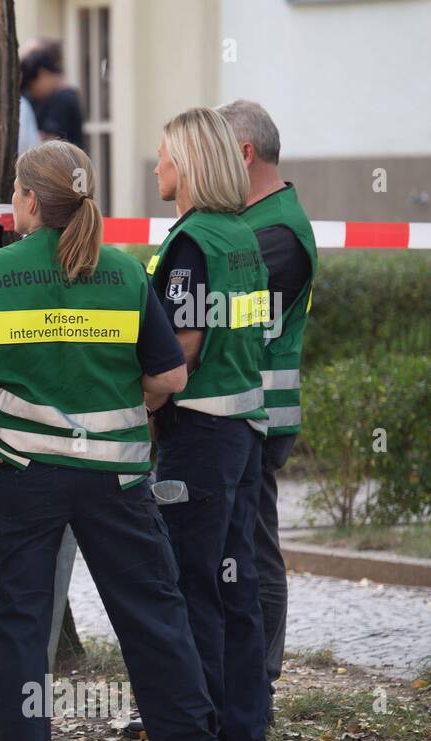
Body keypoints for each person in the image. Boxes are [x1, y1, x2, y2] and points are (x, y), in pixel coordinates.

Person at [0, 140, 253, 741]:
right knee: (154, 623)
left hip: (19, 479)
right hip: (116, 481)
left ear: (26, 201)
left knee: (21, 640)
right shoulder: (122, 271)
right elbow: (170, 379)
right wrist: (121, 395)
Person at [123, 108, 273, 741]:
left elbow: (180, 350)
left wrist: (137, 407)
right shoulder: (240, 233)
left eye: (162, 157)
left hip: (199, 438)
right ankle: (242, 736)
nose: (156, 167)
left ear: (185, 165)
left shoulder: (189, 244)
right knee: (233, 587)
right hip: (243, 430)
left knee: (188, 590)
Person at [217, 99, 317, 700]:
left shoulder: (275, 232)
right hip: (241, 410)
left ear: (245, 154)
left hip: (257, 413)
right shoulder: (258, 222)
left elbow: (234, 318)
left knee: (251, 547)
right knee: (241, 543)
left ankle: (258, 679)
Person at [20, 41, 84, 149]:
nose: (31, 91)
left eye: (32, 85)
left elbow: (54, 141)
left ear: (42, 73)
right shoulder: (43, 97)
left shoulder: (63, 98)